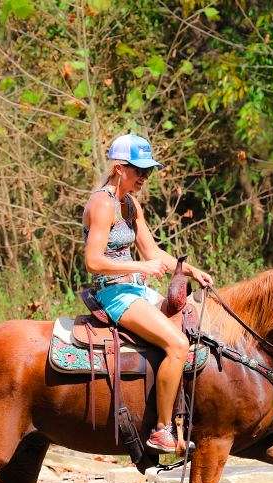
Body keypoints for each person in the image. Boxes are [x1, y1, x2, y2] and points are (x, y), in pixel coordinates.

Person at [82, 133, 213, 454]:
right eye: (138, 169)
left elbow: (152, 251)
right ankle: (161, 429)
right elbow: (92, 261)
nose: (144, 176)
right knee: (177, 343)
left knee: (195, 323)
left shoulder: (130, 203)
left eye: (148, 171)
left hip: (136, 287)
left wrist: (189, 269)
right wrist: (141, 268)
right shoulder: (102, 204)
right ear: (118, 167)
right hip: (114, 293)